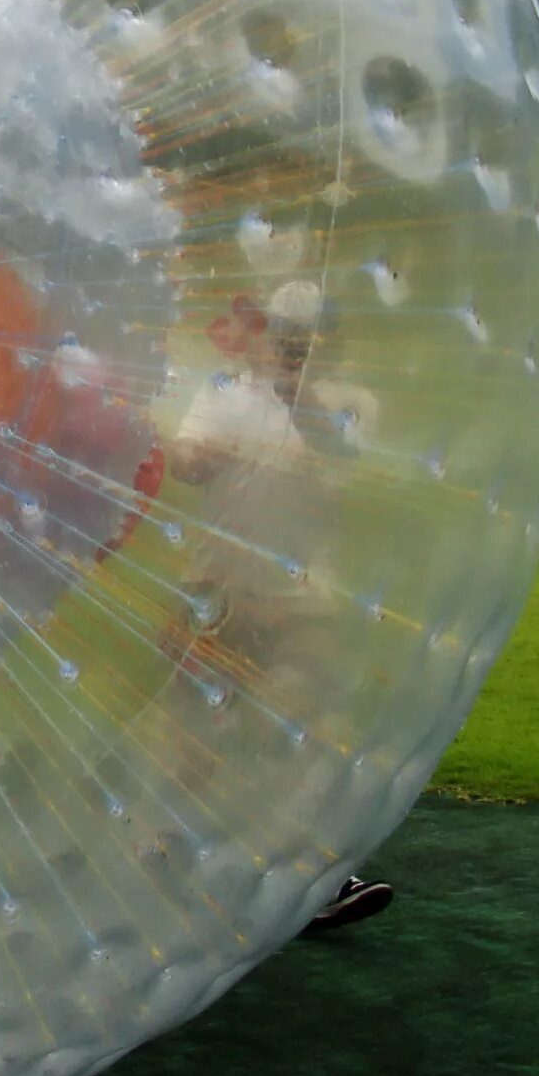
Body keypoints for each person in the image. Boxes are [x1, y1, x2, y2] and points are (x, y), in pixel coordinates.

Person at [164, 278, 392, 938]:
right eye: (284, 337)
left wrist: (302, 401)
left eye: (307, 338)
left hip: (303, 588)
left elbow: (341, 465)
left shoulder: (351, 402)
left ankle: (318, 877)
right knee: (197, 725)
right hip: (220, 584)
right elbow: (189, 462)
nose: (292, 351)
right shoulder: (225, 391)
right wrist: (190, 453)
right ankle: (166, 851)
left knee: (308, 721)